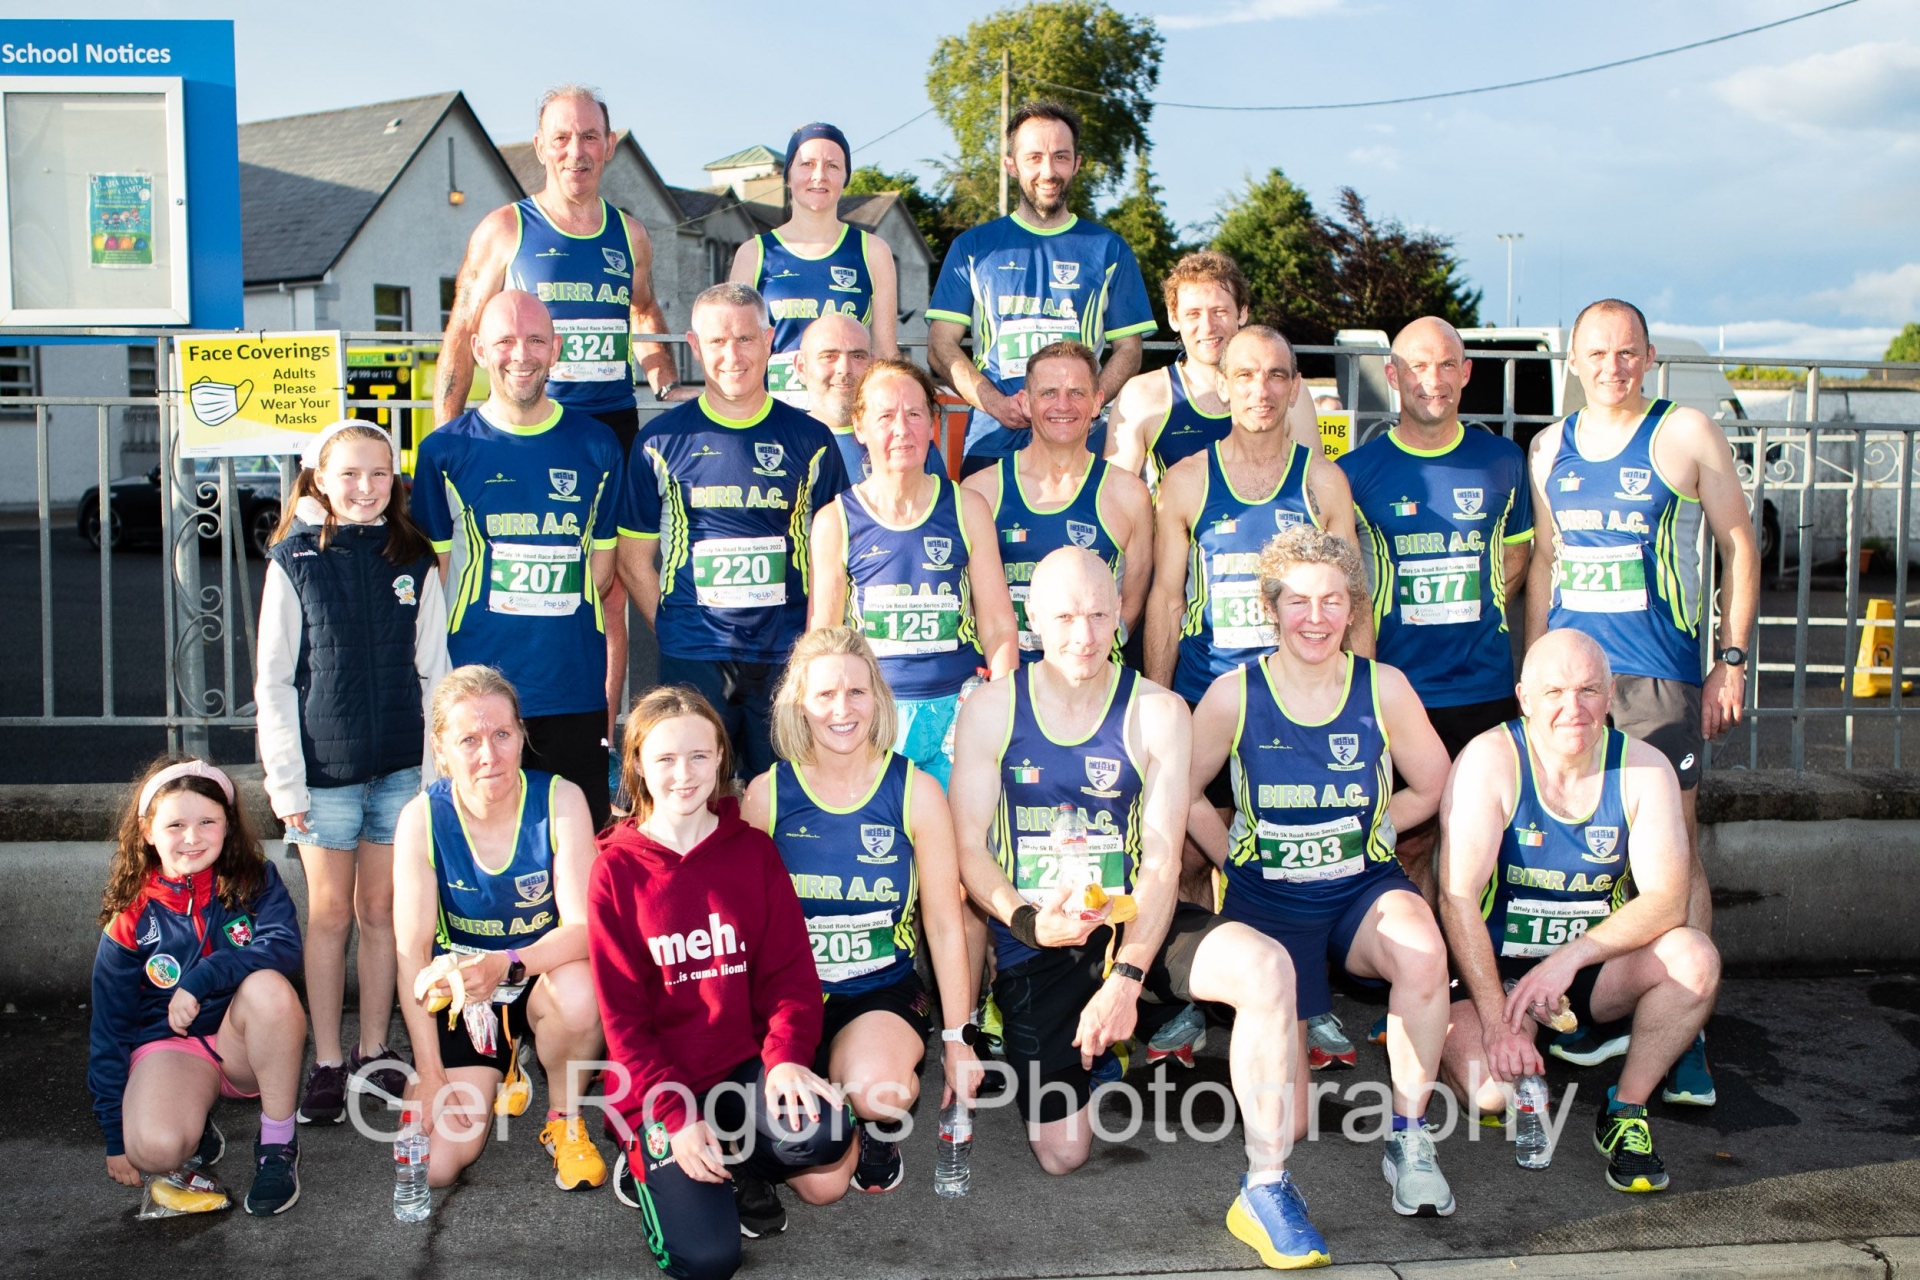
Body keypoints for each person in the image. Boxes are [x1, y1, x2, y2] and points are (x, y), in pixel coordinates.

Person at [948, 547, 1329, 1268]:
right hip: (1044, 936)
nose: (1084, 634)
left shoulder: (1158, 708)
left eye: (1098, 613)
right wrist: (1030, 923)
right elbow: (970, 851)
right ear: (1032, 621)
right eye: (1064, 616)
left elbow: (1160, 862)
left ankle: (1268, 1186)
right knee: (1063, 1154)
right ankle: (1100, 1050)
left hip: (1132, 922)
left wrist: (1125, 977)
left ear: (1120, 613)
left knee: (1267, 969)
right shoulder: (994, 706)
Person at [1524, 298, 1758, 1100]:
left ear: (1649, 356)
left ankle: (1685, 1023)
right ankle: (1608, 1007)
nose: (1612, 367)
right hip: (1568, 683)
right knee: (1587, 846)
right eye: (1597, 353)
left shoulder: (1683, 432)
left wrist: (1729, 661)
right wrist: (1533, 670)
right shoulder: (1548, 446)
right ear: (1574, 362)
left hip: (1658, 677)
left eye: (1627, 353)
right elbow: (1547, 566)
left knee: (1675, 849)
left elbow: (1738, 543)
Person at [1187, 527, 1456, 1217]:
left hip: (1357, 895)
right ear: (1271, 607)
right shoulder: (1232, 694)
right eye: (1299, 600)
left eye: (1332, 600)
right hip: (1269, 906)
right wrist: (1231, 857)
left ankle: (1409, 1135)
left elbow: (1434, 783)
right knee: (1293, 1124)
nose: (1315, 617)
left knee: (1424, 952)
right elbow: (1182, 794)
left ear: (1352, 607)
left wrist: (1374, 830)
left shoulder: (1383, 688)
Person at [436, 84, 680, 756]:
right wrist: (445, 437)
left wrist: (660, 366)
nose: (578, 150)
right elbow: (462, 331)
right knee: (530, 584)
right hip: (526, 434)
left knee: (612, 592)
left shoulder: (628, 232)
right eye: (563, 137)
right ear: (541, 146)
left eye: (591, 137)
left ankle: (602, 747)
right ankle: (502, 733)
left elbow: (645, 310)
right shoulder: (507, 228)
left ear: (608, 145)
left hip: (612, 431)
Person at [1437, 628, 1722, 1193]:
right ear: (1523, 698)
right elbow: (1458, 896)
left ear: (1611, 693)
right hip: (1494, 970)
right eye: (1555, 692)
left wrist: (1569, 958)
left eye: (1589, 690)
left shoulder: (1644, 767)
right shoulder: (1490, 760)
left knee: (1695, 957)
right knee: (1493, 1093)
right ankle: (1488, 1037)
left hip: (1589, 971)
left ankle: (1626, 1109)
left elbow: (1668, 898)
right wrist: (1498, 1023)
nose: (1574, 708)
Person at [593, 686, 853, 1271]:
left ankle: (740, 1161)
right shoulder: (615, 868)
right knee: (708, 1260)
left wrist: (786, 1058)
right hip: (660, 1089)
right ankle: (641, 1158)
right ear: (636, 765)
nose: (683, 775)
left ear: (720, 760)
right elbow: (623, 1025)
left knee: (825, 1132)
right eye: (664, 759)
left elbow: (791, 978)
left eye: (698, 757)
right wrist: (675, 1118)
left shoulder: (753, 853)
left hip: (739, 1072)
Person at [742, 627, 980, 1199]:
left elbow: (946, 926)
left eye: (856, 692)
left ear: (878, 696)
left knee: (880, 1091)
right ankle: (828, 1115)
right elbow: (744, 930)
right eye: (824, 695)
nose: (841, 709)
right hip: (788, 1001)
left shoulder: (915, 791)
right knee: (821, 1188)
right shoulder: (767, 795)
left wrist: (958, 1037)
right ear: (800, 704)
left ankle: (875, 1128)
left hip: (879, 991)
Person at [257, 421, 447, 1125]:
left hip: (400, 771)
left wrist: (435, 774)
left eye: (379, 475)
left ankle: (373, 1052)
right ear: (319, 479)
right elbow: (274, 678)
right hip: (325, 775)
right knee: (331, 913)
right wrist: (286, 781)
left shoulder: (415, 556)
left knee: (381, 915)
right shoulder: (295, 557)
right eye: (349, 475)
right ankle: (328, 1062)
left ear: (395, 481)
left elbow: (436, 670)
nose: (364, 489)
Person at [1146, 326, 1367, 919]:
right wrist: (1163, 702)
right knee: (1192, 857)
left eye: (1275, 375)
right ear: (1222, 386)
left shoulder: (1323, 482)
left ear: (1295, 386)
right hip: (1206, 692)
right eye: (1244, 375)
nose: (1260, 389)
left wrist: (1361, 697)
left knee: (1301, 849)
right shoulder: (1187, 480)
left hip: (1299, 700)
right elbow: (1166, 599)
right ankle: (1198, 998)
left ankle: (1302, 982)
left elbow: (1356, 598)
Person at [619, 283, 852, 779]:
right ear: (694, 345)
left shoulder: (811, 440)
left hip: (785, 658)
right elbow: (633, 561)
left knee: (784, 803)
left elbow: (836, 557)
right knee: (697, 800)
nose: (733, 355)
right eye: (718, 341)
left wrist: (813, 645)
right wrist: (675, 632)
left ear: (769, 341)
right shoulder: (658, 441)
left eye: (746, 339)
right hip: (694, 658)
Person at [414, 290, 624, 830]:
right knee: (478, 851)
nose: (521, 355)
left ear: (556, 348)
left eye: (535, 340)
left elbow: (602, 576)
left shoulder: (598, 445)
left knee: (580, 853)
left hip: (570, 690)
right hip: (476, 696)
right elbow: (433, 580)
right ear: (480, 350)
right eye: (505, 341)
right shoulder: (443, 452)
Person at [1340, 318, 1533, 904]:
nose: (1434, 380)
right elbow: (1347, 587)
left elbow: (1519, 553)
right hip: (1401, 690)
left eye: (1448, 364)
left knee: (1485, 837)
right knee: (1409, 841)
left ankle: (1473, 971)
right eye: (1418, 366)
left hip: (1483, 687)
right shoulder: (1355, 472)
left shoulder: (1503, 461)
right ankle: (1413, 966)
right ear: (1393, 375)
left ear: (1467, 373)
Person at [392, 666, 607, 1191]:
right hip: (467, 995)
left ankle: (565, 1121)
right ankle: (503, 1062)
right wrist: (430, 1073)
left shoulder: (560, 799)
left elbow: (583, 929)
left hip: (537, 971)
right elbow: (411, 953)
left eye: (502, 735)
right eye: (469, 740)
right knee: (437, 1167)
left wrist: (506, 964)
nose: (489, 755)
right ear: (441, 748)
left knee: (582, 994)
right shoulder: (422, 818)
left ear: (521, 735)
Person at [89, 758, 307, 1217]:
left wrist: (204, 977)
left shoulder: (255, 879)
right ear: (148, 831)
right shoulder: (131, 914)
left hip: (242, 1044)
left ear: (227, 826)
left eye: (207, 821)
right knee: (154, 1149)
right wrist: (114, 1136)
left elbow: (285, 948)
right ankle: (191, 1118)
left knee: (270, 988)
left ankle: (277, 1147)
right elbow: (109, 1030)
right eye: (175, 824)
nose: (192, 837)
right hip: (173, 1048)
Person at [808, 360, 1017, 784]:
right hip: (874, 714)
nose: (902, 429)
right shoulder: (836, 520)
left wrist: (997, 705)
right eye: (885, 416)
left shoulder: (967, 507)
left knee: (958, 844)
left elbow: (998, 625)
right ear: (860, 428)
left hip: (957, 712)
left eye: (915, 414)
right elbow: (822, 640)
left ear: (932, 423)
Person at [926, 100, 1156, 475]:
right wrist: (996, 403)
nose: (1048, 171)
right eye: (1034, 157)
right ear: (1011, 165)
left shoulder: (1109, 249)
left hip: (1080, 441)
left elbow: (1129, 351)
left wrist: (1085, 402)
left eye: (1060, 157)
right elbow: (940, 347)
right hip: (994, 438)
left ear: (1077, 164)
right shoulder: (973, 248)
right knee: (984, 534)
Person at [963, 340, 1153, 665]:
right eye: (1048, 393)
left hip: (1092, 687)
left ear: (1097, 403)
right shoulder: (981, 492)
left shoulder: (1128, 495)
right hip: (1010, 685)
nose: (1063, 405)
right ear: (1025, 402)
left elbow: (1130, 607)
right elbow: (969, 607)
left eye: (1076, 393)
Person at [1105, 251, 1320, 486]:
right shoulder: (1143, 395)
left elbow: (1316, 486)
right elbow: (1114, 495)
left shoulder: (1284, 391)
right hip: (1178, 522)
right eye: (1193, 314)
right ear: (1173, 318)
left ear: (1242, 312)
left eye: (1219, 311)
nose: (1207, 327)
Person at [731, 122, 899, 409]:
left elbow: (884, 352)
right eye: (807, 164)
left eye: (832, 166)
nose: (819, 176)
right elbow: (736, 348)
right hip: (777, 421)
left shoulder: (872, 251)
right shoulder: (754, 253)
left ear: (846, 177)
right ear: (788, 175)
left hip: (848, 421)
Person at [794, 313, 943, 481]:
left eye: (857, 356)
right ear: (801, 367)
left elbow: (942, 504)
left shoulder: (908, 437)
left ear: (872, 365)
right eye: (829, 356)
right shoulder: (782, 440)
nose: (844, 369)